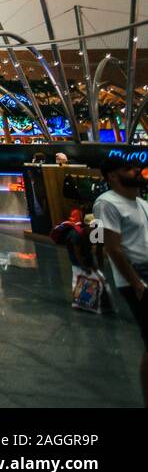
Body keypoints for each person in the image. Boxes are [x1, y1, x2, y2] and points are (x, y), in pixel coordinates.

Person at [92, 147, 148, 405]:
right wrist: (136, 283)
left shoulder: (142, 203)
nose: (136, 171)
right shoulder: (107, 203)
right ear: (112, 176)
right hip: (136, 278)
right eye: (128, 169)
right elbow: (112, 248)